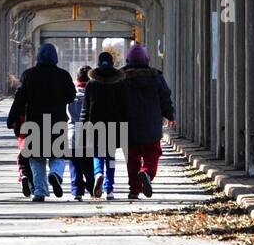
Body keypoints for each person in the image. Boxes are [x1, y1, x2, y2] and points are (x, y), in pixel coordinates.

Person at [7, 43, 75, 201]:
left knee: (36, 158)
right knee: (57, 155)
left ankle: (39, 191)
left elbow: (20, 99)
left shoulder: (29, 75)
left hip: (35, 122)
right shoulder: (63, 75)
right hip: (57, 121)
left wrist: (12, 118)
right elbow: (71, 95)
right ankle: (55, 175)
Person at [121, 43, 175, 199]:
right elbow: (165, 97)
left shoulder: (121, 77)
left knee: (132, 158)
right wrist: (170, 115)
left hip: (129, 124)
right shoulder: (155, 76)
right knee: (152, 153)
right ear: (147, 59)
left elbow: (116, 101)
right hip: (151, 123)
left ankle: (134, 190)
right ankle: (146, 172)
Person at [83, 51, 127, 199]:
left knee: (97, 153)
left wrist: (84, 126)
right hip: (115, 125)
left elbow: (85, 108)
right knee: (111, 157)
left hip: (95, 124)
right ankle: (109, 189)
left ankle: (98, 173)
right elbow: (124, 106)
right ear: (112, 62)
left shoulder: (92, 83)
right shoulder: (120, 82)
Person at [66, 67, 94, 200]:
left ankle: (77, 191)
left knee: (75, 164)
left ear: (77, 79)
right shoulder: (94, 94)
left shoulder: (71, 95)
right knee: (89, 163)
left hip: (73, 133)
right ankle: (92, 187)